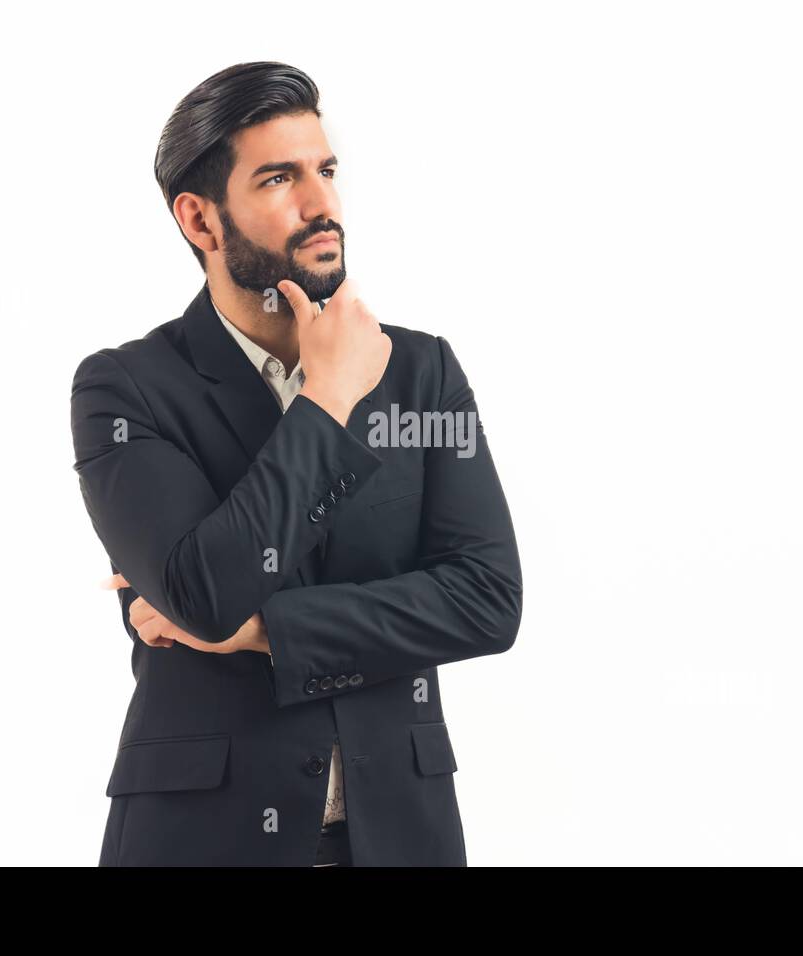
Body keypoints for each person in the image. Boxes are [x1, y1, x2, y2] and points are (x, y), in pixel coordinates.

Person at [70, 61, 521, 866]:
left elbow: (487, 600)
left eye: (326, 170)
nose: (322, 206)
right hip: (202, 837)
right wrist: (330, 400)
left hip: (400, 835)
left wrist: (261, 631)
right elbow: (206, 590)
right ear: (201, 221)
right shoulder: (125, 389)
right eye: (279, 178)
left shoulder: (424, 373)